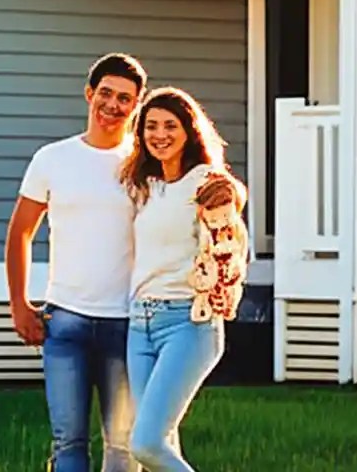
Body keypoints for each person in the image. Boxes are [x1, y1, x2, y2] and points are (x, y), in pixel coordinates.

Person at [6, 52, 149, 472]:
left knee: (123, 447)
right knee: (68, 442)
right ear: (89, 94)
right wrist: (20, 304)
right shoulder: (52, 159)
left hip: (126, 324)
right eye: (105, 93)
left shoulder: (144, 166)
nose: (113, 105)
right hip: (64, 322)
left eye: (125, 98)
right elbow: (21, 232)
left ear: (136, 105)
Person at [118, 87, 248, 472]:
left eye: (170, 126)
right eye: (151, 126)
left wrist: (236, 194)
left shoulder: (205, 180)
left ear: (189, 131)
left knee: (146, 444)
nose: (160, 134)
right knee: (160, 441)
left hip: (187, 324)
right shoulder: (144, 185)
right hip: (139, 324)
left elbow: (230, 216)